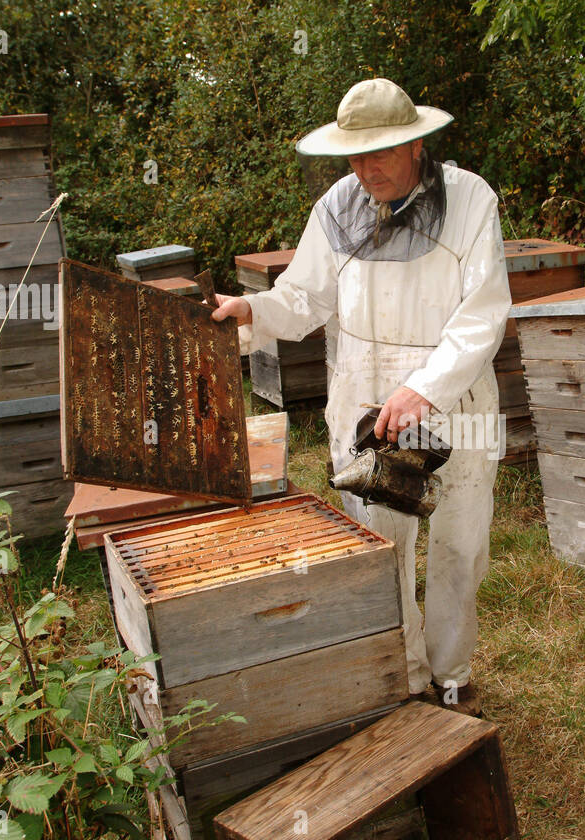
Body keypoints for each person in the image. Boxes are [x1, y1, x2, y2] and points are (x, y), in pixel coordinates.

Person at [211, 77, 511, 716]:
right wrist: (251, 311)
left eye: (379, 153)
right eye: (354, 155)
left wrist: (423, 389)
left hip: (453, 405)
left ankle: (451, 677)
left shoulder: (469, 200)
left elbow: (482, 315)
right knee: (380, 547)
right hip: (365, 408)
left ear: (416, 144)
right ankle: (401, 680)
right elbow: (302, 298)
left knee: (459, 545)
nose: (365, 168)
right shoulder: (336, 207)